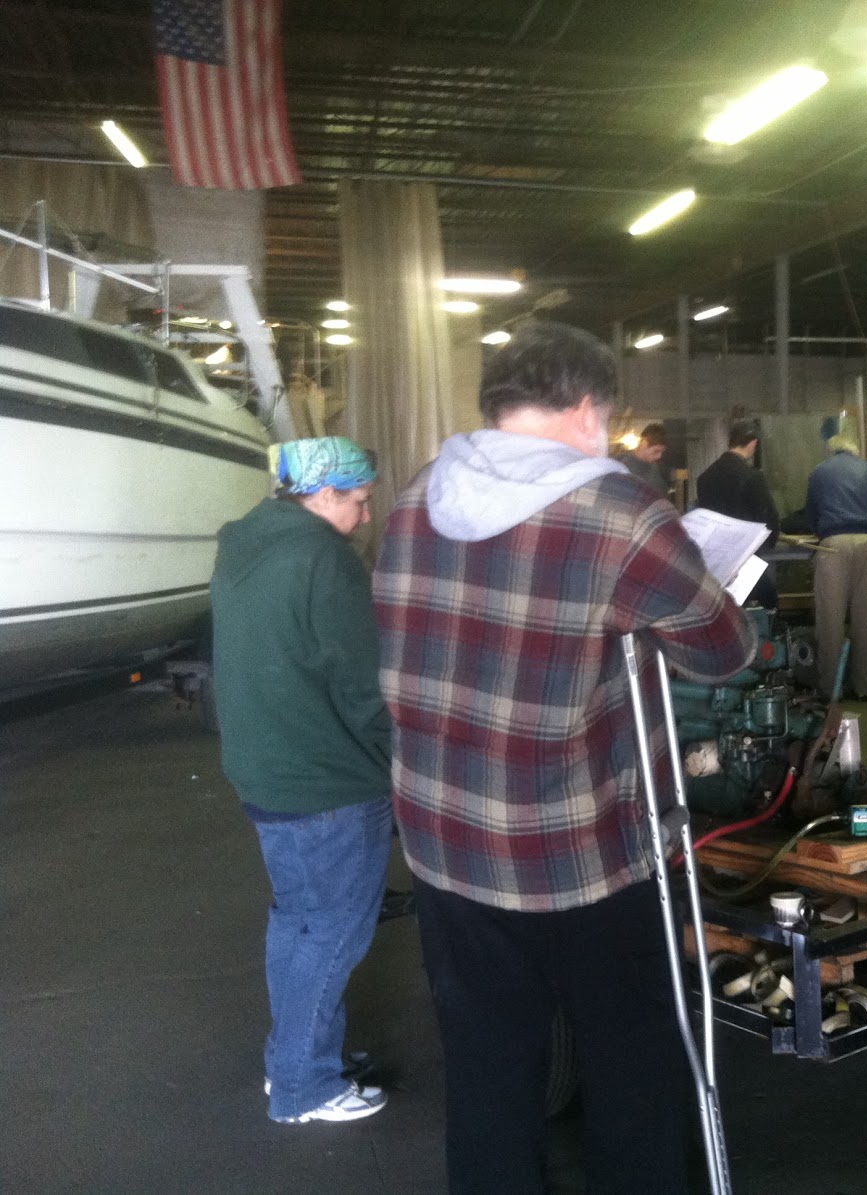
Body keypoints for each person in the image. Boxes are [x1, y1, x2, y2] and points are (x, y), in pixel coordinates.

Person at [372, 321, 756, 1193]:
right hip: (575, 855)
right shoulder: (616, 509)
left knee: (488, 1074)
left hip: (443, 842)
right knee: (633, 1071)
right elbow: (721, 649)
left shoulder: (416, 494)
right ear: (589, 408)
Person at [209, 436, 392, 1125]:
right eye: (359, 501)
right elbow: (365, 689)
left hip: (265, 769)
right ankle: (304, 1086)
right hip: (330, 783)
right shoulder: (324, 558)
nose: (366, 516)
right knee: (333, 934)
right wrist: (402, 760)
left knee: (296, 924)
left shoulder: (241, 544)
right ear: (321, 495)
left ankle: (288, 1060)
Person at [804, 432, 867, 701]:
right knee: (865, 618)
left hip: (833, 544)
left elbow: (811, 513)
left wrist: (819, 531)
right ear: (855, 450)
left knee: (831, 620)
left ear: (833, 450)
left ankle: (830, 689)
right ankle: (863, 688)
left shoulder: (820, 472)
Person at [696, 417, 782, 608]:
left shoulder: (705, 478)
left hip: (715, 564)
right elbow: (769, 520)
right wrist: (770, 541)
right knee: (766, 604)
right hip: (746, 561)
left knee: (721, 609)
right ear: (753, 443)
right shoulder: (753, 477)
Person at [619, 420, 669, 494]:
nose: (659, 456)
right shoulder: (623, 464)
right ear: (644, 444)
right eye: (656, 451)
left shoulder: (654, 468)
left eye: (662, 452)